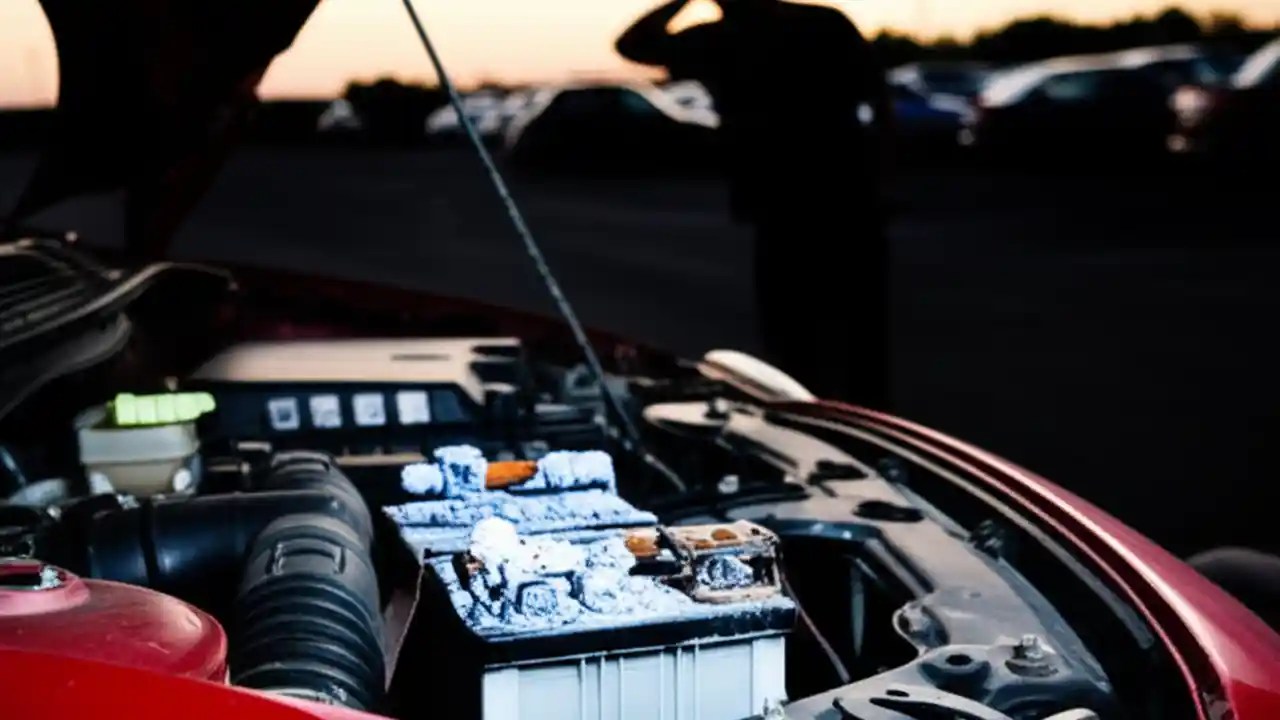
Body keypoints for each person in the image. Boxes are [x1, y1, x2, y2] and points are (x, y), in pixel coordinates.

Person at [616, 0, 894, 408]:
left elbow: (634, 44)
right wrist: (882, 176)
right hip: (840, 199)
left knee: (803, 343)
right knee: (856, 339)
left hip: (787, 206)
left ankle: (825, 423)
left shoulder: (719, 39)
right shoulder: (820, 23)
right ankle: (867, 425)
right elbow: (879, 98)